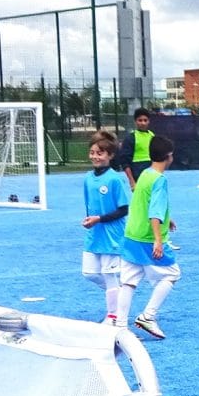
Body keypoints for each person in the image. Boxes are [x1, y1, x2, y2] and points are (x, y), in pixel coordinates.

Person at [118, 136, 181, 339]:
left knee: (128, 282)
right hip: (146, 238)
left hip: (131, 235)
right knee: (172, 274)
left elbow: (144, 202)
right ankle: (148, 316)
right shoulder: (160, 180)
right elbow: (154, 212)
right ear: (169, 157)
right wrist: (158, 240)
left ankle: (119, 327)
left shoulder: (145, 173)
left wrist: (167, 218)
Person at [79, 131, 130, 326]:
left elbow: (124, 209)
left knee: (109, 275)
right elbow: (89, 205)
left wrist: (99, 219)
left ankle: (113, 315)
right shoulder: (87, 178)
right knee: (89, 273)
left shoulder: (114, 179)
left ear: (110, 155)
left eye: (100, 153)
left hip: (111, 234)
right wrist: (90, 220)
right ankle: (119, 293)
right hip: (94, 233)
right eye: (92, 152)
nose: (95, 156)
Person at [115, 108, 156, 187]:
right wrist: (132, 181)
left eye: (145, 120)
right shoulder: (131, 138)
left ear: (149, 121)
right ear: (135, 122)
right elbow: (125, 162)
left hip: (151, 174)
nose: (143, 123)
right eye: (140, 120)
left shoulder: (152, 135)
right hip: (138, 175)